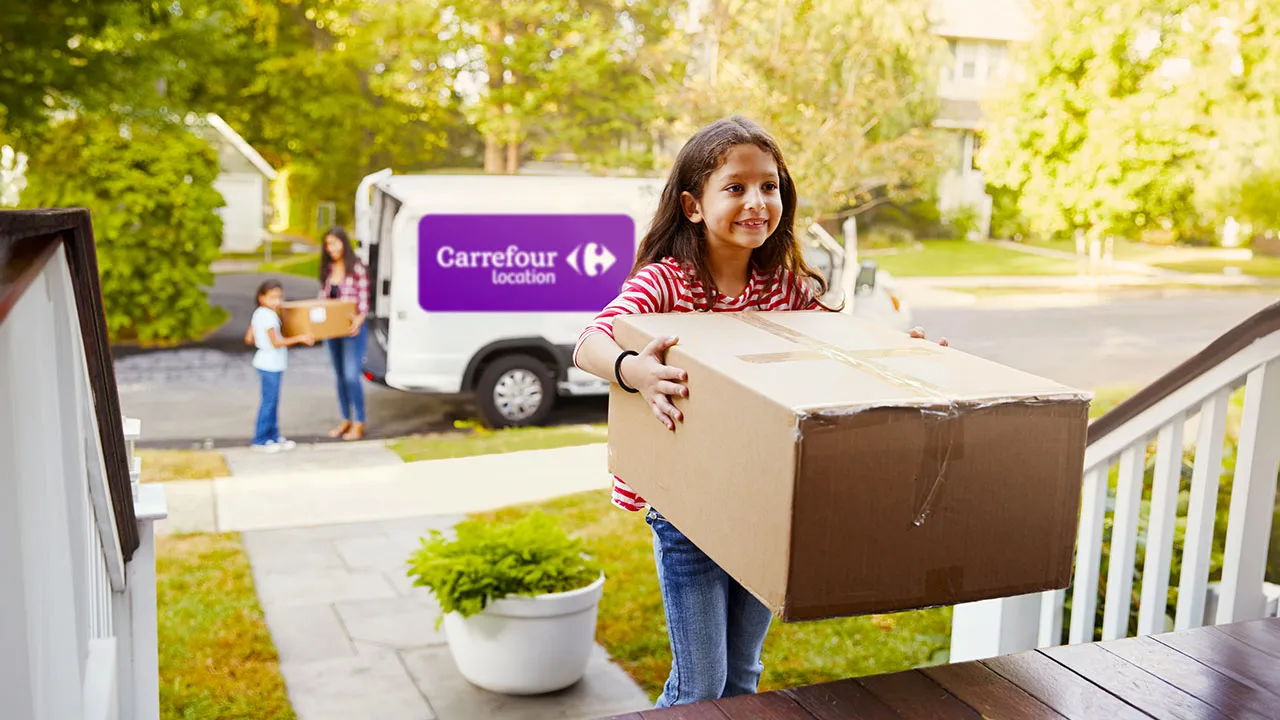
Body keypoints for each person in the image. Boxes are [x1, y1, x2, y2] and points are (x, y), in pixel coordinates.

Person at [573, 116, 946, 708]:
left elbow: (841, 349)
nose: (757, 201)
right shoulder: (667, 284)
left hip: (760, 502)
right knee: (700, 687)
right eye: (736, 187)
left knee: (743, 678)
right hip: (687, 508)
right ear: (693, 206)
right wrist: (633, 370)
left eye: (769, 186)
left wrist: (905, 353)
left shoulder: (784, 288)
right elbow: (589, 340)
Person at [318, 226, 371, 440]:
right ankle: (345, 419)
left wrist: (358, 319)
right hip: (332, 331)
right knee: (339, 376)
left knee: (351, 375)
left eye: (334, 243)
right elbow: (323, 300)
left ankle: (359, 421)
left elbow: (364, 301)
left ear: (343, 243)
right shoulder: (328, 269)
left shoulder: (356, 267)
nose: (331, 248)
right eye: (327, 244)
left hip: (352, 330)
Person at [249, 279, 314, 452]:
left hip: (266, 361)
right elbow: (276, 342)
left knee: (271, 400)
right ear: (262, 297)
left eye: (279, 297)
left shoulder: (259, 313)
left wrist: (261, 341)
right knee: (269, 402)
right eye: (272, 297)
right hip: (270, 363)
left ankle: (273, 436)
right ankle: (261, 439)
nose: (277, 301)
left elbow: (249, 338)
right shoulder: (269, 316)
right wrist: (299, 338)